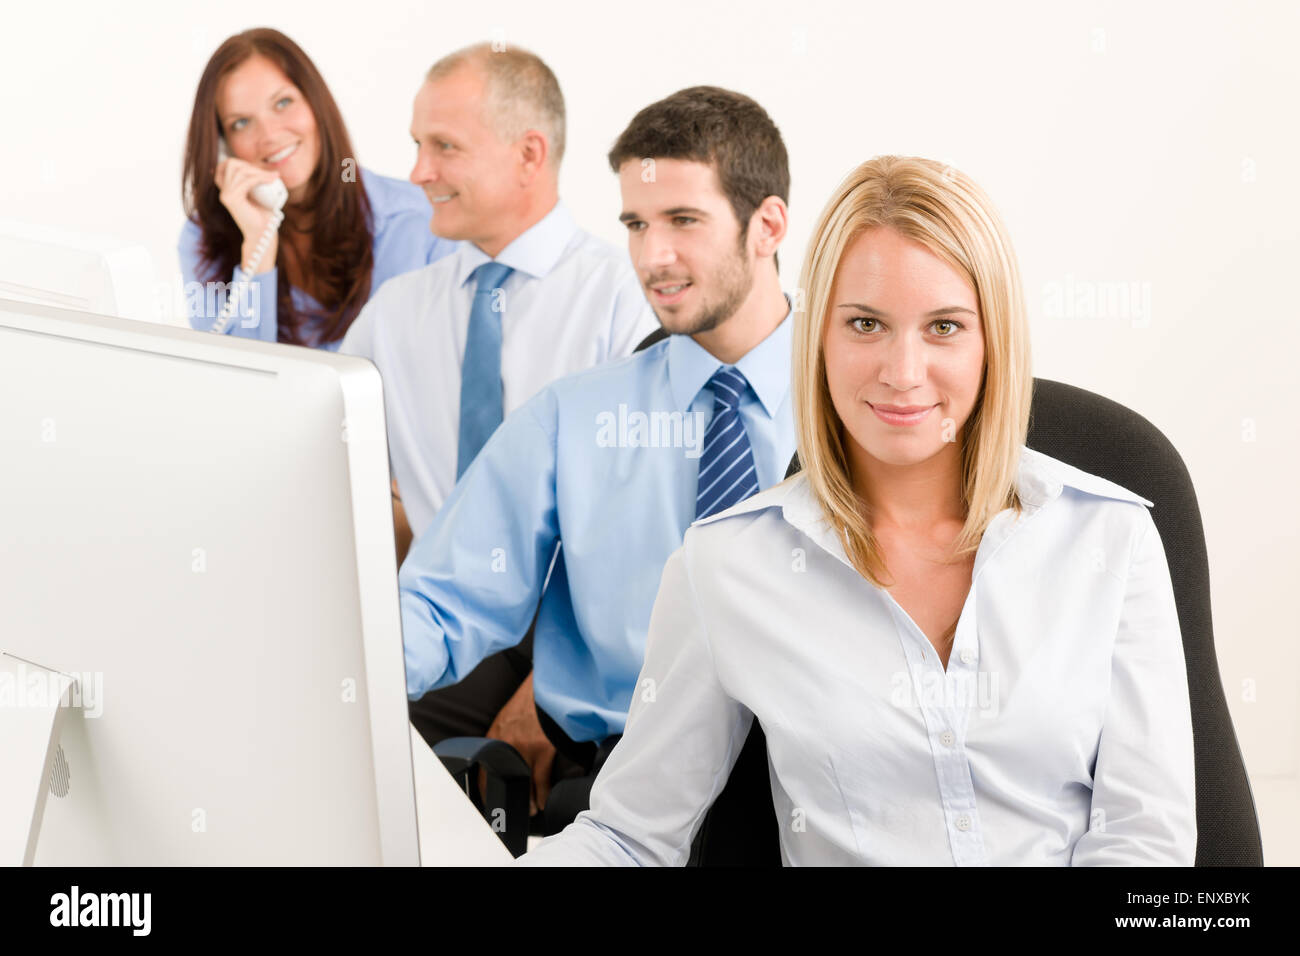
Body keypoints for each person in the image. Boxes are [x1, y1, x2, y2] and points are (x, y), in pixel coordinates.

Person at [519, 155, 1198, 865]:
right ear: (818, 339)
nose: (903, 374)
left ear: (993, 341)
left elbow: (1143, 840)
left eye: (944, 327)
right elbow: (630, 837)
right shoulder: (727, 565)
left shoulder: (1108, 537)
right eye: (866, 324)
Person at [397, 86, 795, 820]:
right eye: (636, 225)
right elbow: (442, 602)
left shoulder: (864, 406)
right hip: (622, 786)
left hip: (812, 790)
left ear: (766, 224)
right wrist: (332, 669)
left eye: (683, 220)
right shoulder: (573, 418)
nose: (654, 256)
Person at [339, 43, 658, 768]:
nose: (419, 171)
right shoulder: (397, 314)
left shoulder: (622, 303)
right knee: (325, 724)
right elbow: (300, 449)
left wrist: (554, 687)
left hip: (583, 633)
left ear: (528, 154)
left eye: (444, 147)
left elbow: (645, 539)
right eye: (417, 146)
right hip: (446, 618)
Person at [179, 28, 456, 350]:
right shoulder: (202, 237)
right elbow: (238, 385)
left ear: (316, 105)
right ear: (223, 147)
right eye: (240, 123)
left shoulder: (420, 220)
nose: (269, 135)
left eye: (283, 103)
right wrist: (258, 245)